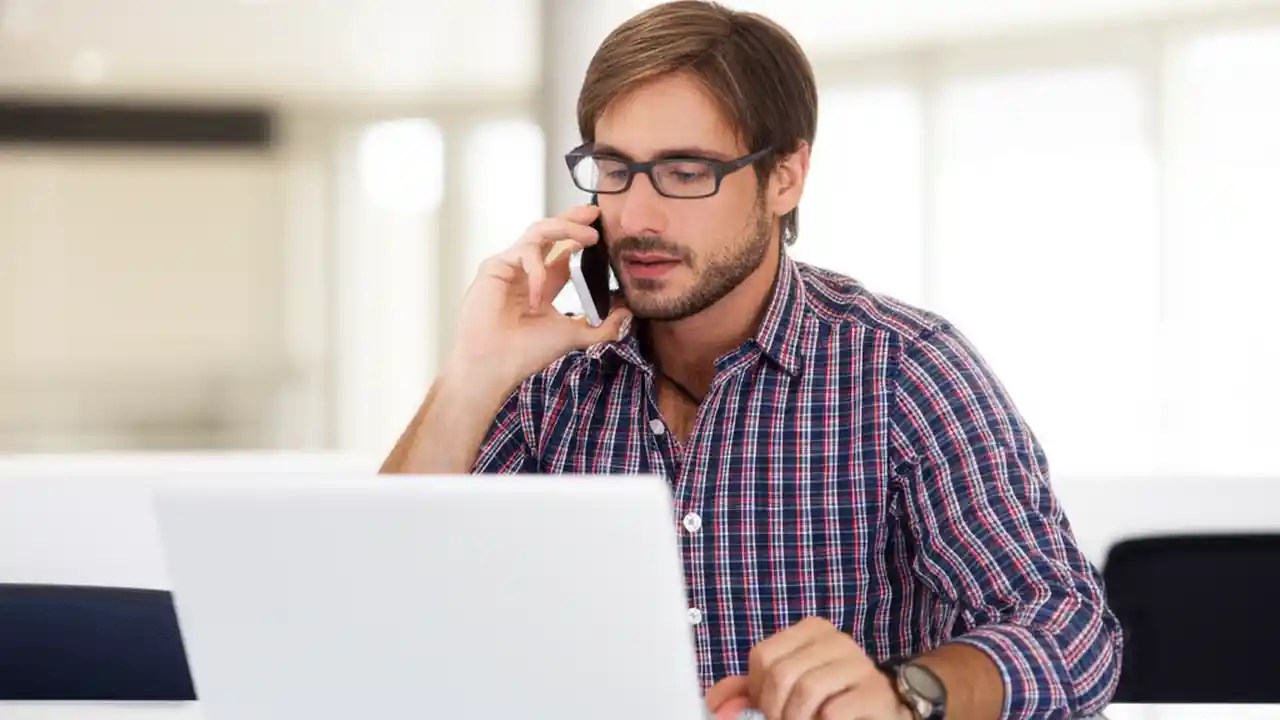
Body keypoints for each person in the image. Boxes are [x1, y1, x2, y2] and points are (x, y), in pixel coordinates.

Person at [380, 2, 1122, 718]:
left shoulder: (900, 368)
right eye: (615, 168)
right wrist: (474, 370)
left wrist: (906, 694)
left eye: (687, 171)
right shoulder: (550, 380)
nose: (637, 216)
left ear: (786, 177)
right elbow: (379, 605)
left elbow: (1070, 628)